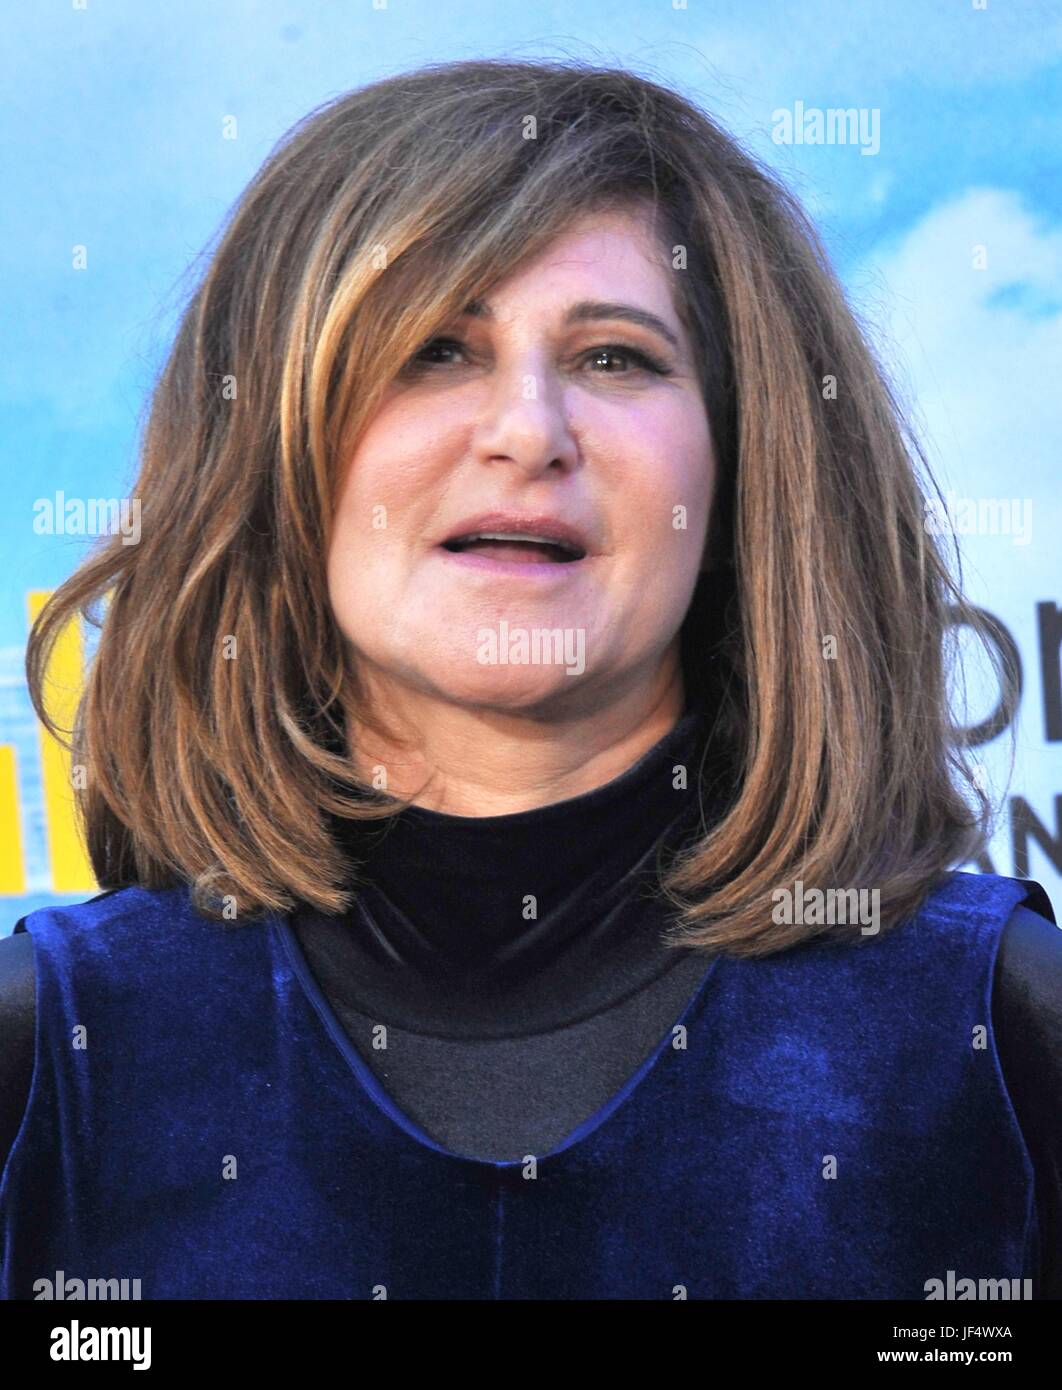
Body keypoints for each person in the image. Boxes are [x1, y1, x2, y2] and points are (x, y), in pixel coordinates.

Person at [0, 58, 1059, 1301]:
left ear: (745, 469)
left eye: (615, 358)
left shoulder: (999, 1036)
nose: (527, 429)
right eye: (436, 349)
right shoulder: (49, 1055)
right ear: (274, 451)